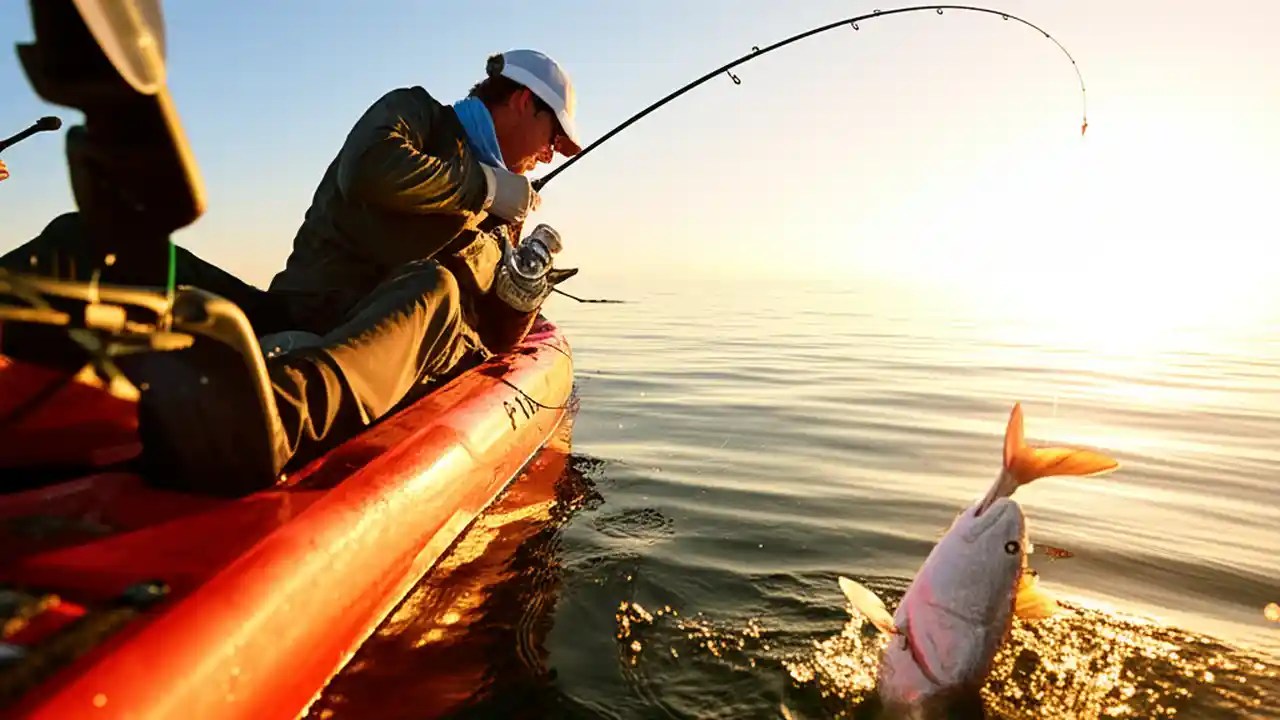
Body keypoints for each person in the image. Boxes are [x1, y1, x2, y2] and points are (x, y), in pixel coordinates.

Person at [1, 48, 582, 479]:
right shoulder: (417, 114)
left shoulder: (508, 212)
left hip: (381, 348)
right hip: (293, 312)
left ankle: (270, 417)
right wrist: (482, 187)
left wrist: (522, 278)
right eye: (554, 137)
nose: (549, 155)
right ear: (525, 102)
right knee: (92, 237)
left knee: (434, 286)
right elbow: (371, 170)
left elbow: (493, 331)